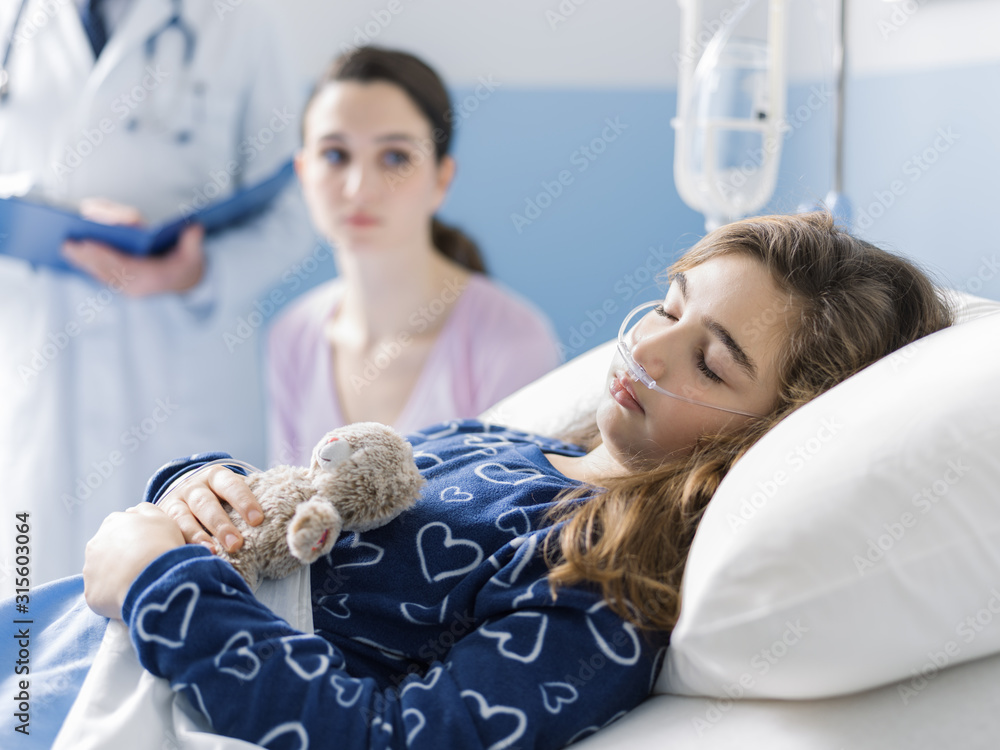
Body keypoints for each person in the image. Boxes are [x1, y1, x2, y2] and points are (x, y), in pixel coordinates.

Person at [76, 212, 953, 748]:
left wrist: (163, 583)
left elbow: (386, 739)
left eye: (711, 364)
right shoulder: (497, 442)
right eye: (673, 306)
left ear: (767, 437)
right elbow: (311, 496)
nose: (647, 346)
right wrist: (201, 486)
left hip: (149, 650)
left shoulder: (600, 593)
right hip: (93, 613)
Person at [0, 0, 317, 584]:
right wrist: (40, 204)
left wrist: (197, 275)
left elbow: (294, 208)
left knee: (192, 610)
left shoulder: (237, 22)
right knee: (30, 632)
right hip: (41, 381)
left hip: (180, 386)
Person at [266, 46, 562, 467]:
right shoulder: (293, 336)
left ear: (442, 178)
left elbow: (517, 519)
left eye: (395, 157)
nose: (359, 189)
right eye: (335, 154)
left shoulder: (514, 340)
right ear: (303, 173)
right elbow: (288, 508)